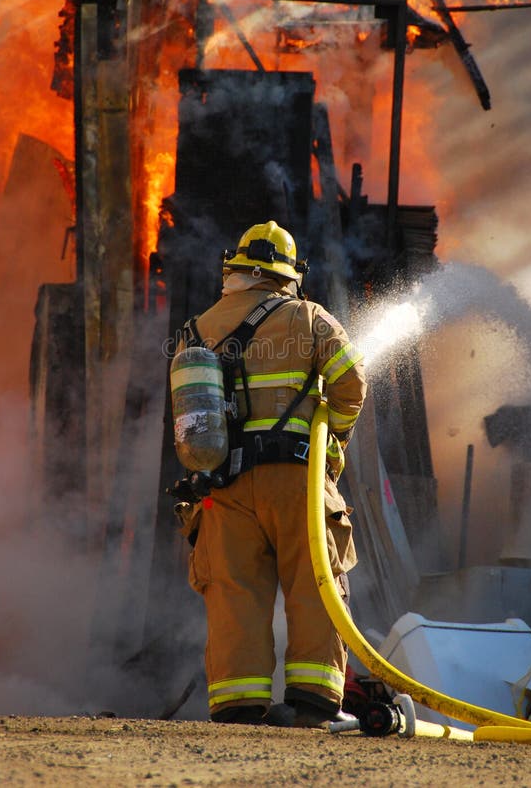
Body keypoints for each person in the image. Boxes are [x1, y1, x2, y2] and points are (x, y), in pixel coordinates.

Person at [172, 220, 366, 727]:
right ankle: (312, 706)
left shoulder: (196, 329)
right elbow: (352, 386)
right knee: (314, 584)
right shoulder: (310, 318)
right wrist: (334, 445)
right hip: (296, 483)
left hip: (224, 488)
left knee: (234, 591)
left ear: (235, 269)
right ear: (287, 275)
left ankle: (239, 706)